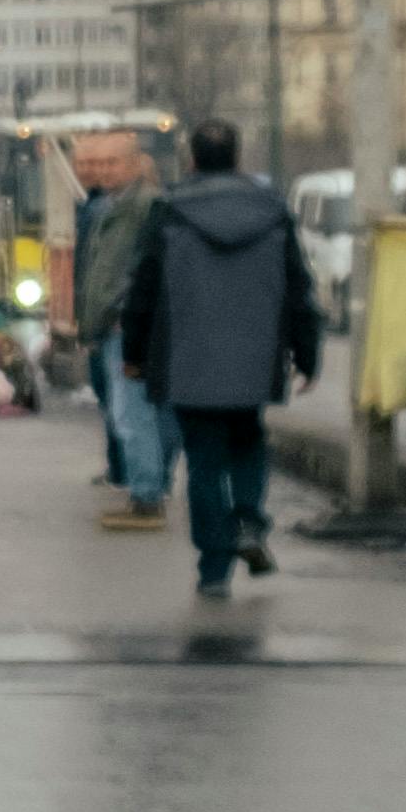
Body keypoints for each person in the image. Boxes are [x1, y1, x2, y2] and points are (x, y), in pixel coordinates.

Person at [122, 117, 321, 605]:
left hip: (188, 359)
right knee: (249, 440)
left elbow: (143, 288)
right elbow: (298, 288)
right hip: (255, 357)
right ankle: (249, 520)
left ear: (191, 158)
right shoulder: (273, 211)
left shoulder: (168, 211)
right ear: (236, 158)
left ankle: (214, 568)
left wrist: (133, 353)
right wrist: (308, 354)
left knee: (205, 462)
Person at [70, 129, 175, 533]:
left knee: (132, 414)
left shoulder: (145, 206)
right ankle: (147, 488)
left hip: (127, 326)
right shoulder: (108, 207)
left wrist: (120, 312)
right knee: (133, 412)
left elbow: (138, 271)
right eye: (103, 163)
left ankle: (147, 496)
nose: (106, 170)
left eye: (115, 162)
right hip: (117, 324)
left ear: (134, 164)